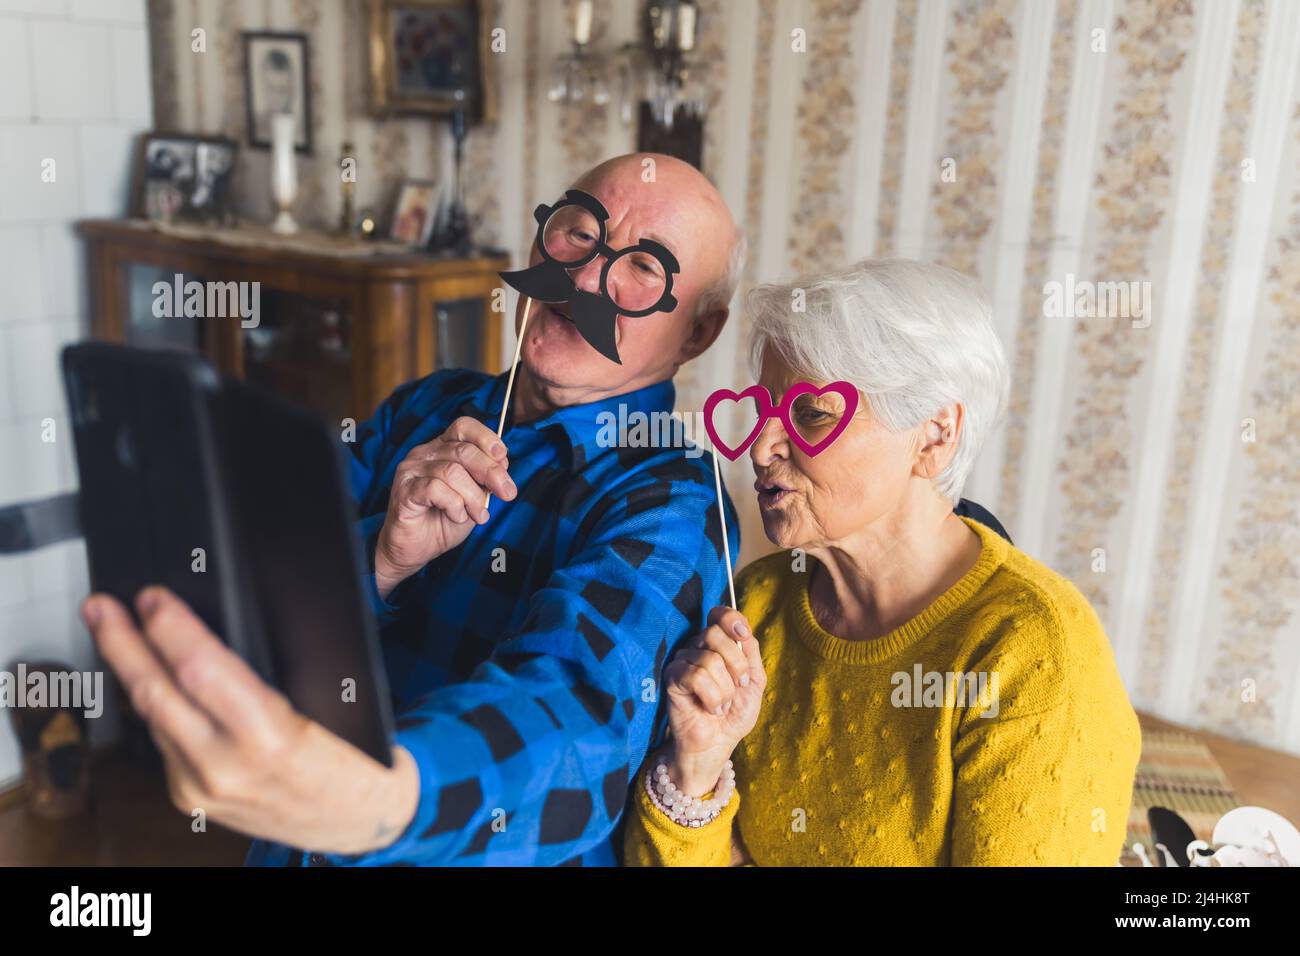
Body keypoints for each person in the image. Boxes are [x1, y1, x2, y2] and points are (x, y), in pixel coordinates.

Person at [81, 153, 746, 865]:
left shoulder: (677, 501)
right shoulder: (427, 403)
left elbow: (577, 722)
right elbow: (256, 593)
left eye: (645, 267)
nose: (586, 277)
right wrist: (380, 560)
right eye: (580, 229)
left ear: (700, 333)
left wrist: (378, 800)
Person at [623, 259, 1142, 866]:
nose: (761, 448)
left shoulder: (1036, 654)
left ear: (933, 436)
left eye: (810, 414)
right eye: (761, 410)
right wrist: (699, 766)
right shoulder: (754, 604)